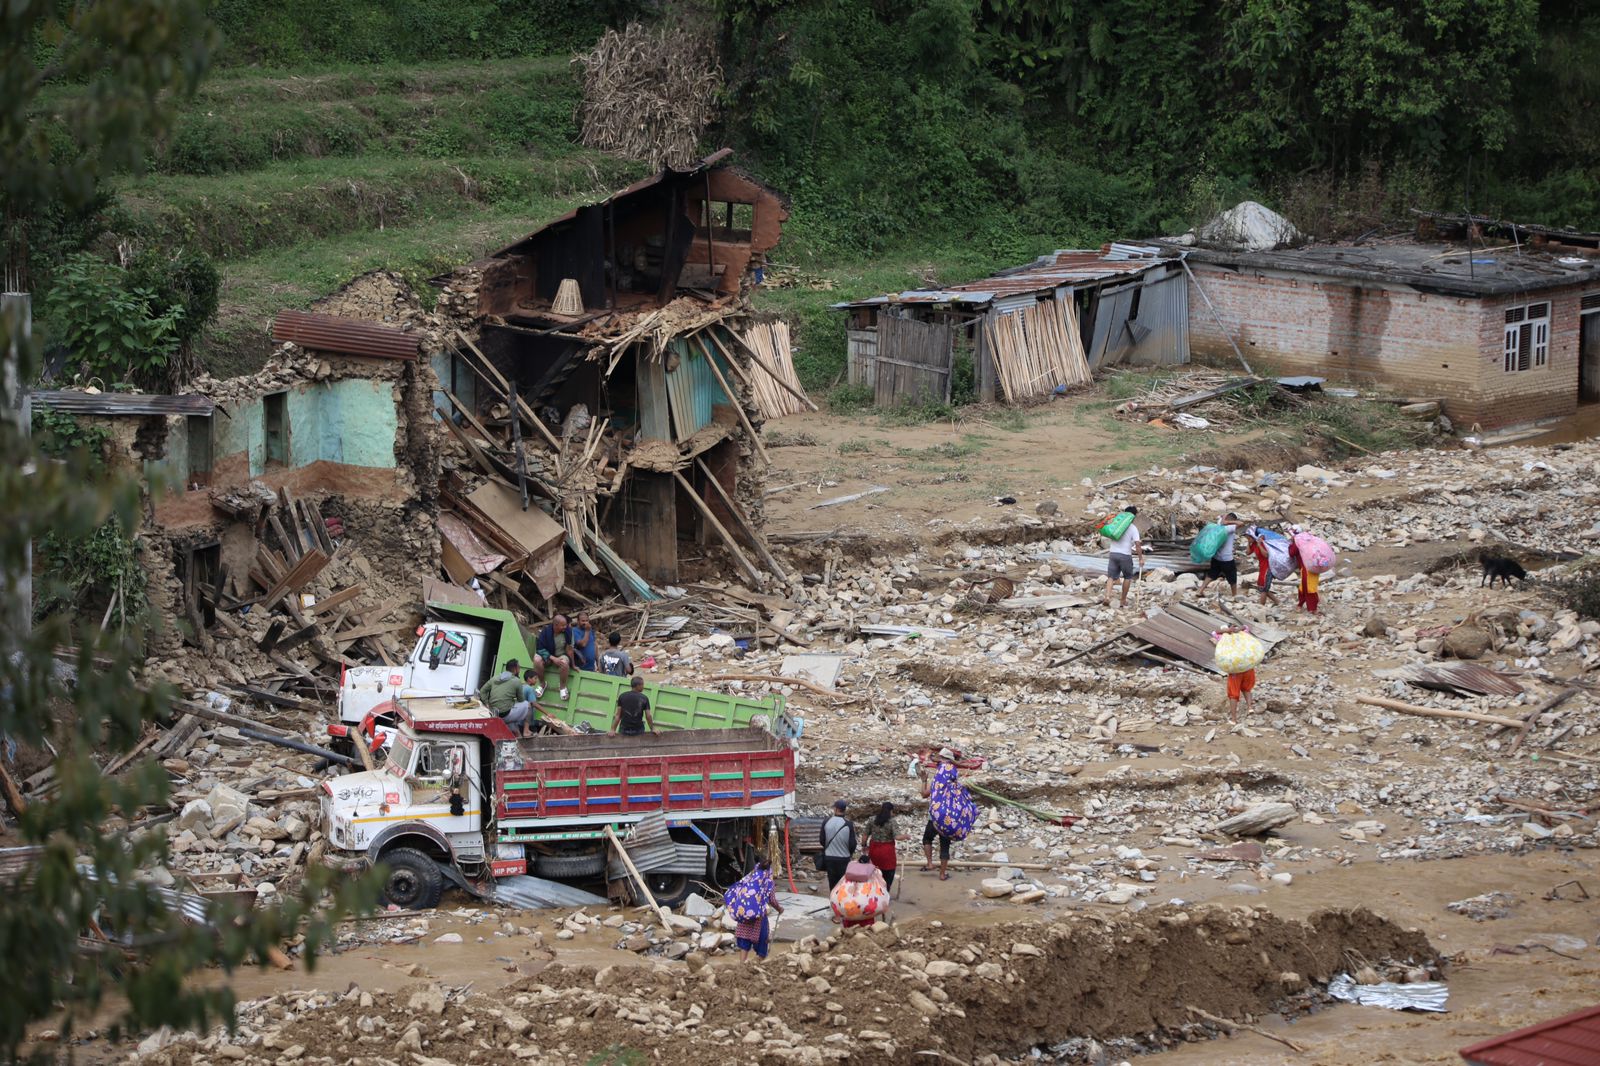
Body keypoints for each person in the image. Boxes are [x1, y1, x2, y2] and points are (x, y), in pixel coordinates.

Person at [919, 749, 964, 881]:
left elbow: (923, 794)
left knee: (927, 839)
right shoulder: (955, 784)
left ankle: (930, 863)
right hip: (949, 818)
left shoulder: (937, 782)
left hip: (934, 817)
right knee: (945, 846)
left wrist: (924, 780)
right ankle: (942, 874)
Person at [727, 859, 783, 963]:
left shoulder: (749, 878)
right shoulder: (768, 881)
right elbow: (772, 900)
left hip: (744, 915)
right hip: (758, 918)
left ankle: (742, 965)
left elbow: (737, 889)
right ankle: (758, 964)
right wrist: (780, 909)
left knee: (744, 942)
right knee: (762, 943)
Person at [1211, 625, 1257, 722]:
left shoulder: (1222, 638)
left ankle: (1234, 719)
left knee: (1233, 694)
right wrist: (1238, 629)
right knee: (1246, 689)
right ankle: (1250, 707)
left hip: (1235, 670)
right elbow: (1246, 627)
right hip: (1247, 666)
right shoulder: (1241, 634)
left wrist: (1226, 631)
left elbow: (1214, 633)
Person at [1101, 506, 1144, 609]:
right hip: (1125, 555)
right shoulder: (1133, 528)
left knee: (1111, 577)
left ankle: (1107, 596)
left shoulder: (1116, 524)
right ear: (1134, 516)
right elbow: (1138, 545)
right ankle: (1123, 600)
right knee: (1127, 577)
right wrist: (1140, 558)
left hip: (1113, 554)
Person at [1197, 513, 1241, 600]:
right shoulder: (1229, 528)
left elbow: (1220, 519)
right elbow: (1240, 523)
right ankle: (1235, 595)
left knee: (1211, 574)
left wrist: (1223, 518)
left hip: (1216, 556)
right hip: (1226, 558)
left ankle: (1200, 590)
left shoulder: (1217, 526)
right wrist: (1229, 521)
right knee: (1232, 576)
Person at [819, 798, 856, 891]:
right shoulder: (848, 824)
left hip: (829, 858)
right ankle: (841, 901)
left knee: (832, 883)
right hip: (844, 859)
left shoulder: (826, 822)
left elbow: (822, 840)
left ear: (835, 809)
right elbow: (852, 844)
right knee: (842, 883)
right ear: (844, 810)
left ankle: (833, 901)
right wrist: (849, 853)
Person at [535, 614, 575, 699]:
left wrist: (573, 665)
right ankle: (542, 684)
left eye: (565, 625)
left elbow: (569, 650)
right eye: (563, 625)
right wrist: (553, 659)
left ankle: (562, 687)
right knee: (537, 659)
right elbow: (540, 649)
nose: (565, 627)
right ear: (556, 625)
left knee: (564, 662)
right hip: (549, 657)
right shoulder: (545, 632)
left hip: (561, 655)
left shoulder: (568, 631)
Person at [865, 801, 898, 890]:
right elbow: (897, 836)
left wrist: (864, 846)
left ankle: (874, 891)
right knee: (888, 872)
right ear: (891, 811)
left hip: (874, 850)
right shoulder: (892, 822)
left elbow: (865, 835)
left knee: (874, 872)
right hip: (887, 851)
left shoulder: (872, 820)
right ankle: (885, 892)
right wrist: (906, 836)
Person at [504, 667, 544, 738]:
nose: (536, 680)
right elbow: (534, 704)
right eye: (535, 678)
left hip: (518, 720)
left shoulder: (521, 687)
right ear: (529, 679)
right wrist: (547, 713)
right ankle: (526, 731)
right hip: (526, 723)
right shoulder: (530, 689)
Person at [1242, 527, 1277, 606]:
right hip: (1262, 567)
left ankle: (1261, 606)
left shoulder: (1261, 543)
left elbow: (1266, 555)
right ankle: (1277, 601)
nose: (1248, 539)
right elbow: (1247, 552)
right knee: (1261, 587)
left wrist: (1259, 545)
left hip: (1268, 567)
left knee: (1264, 588)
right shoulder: (1253, 544)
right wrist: (1248, 543)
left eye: (1248, 538)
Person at [1288, 531, 1319, 614]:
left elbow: (1291, 553)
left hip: (1307, 569)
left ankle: (1312, 608)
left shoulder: (1298, 543)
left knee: (1308, 588)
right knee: (1306, 587)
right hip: (1314, 567)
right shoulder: (1307, 541)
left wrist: (1292, 542)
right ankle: (1302, 605)